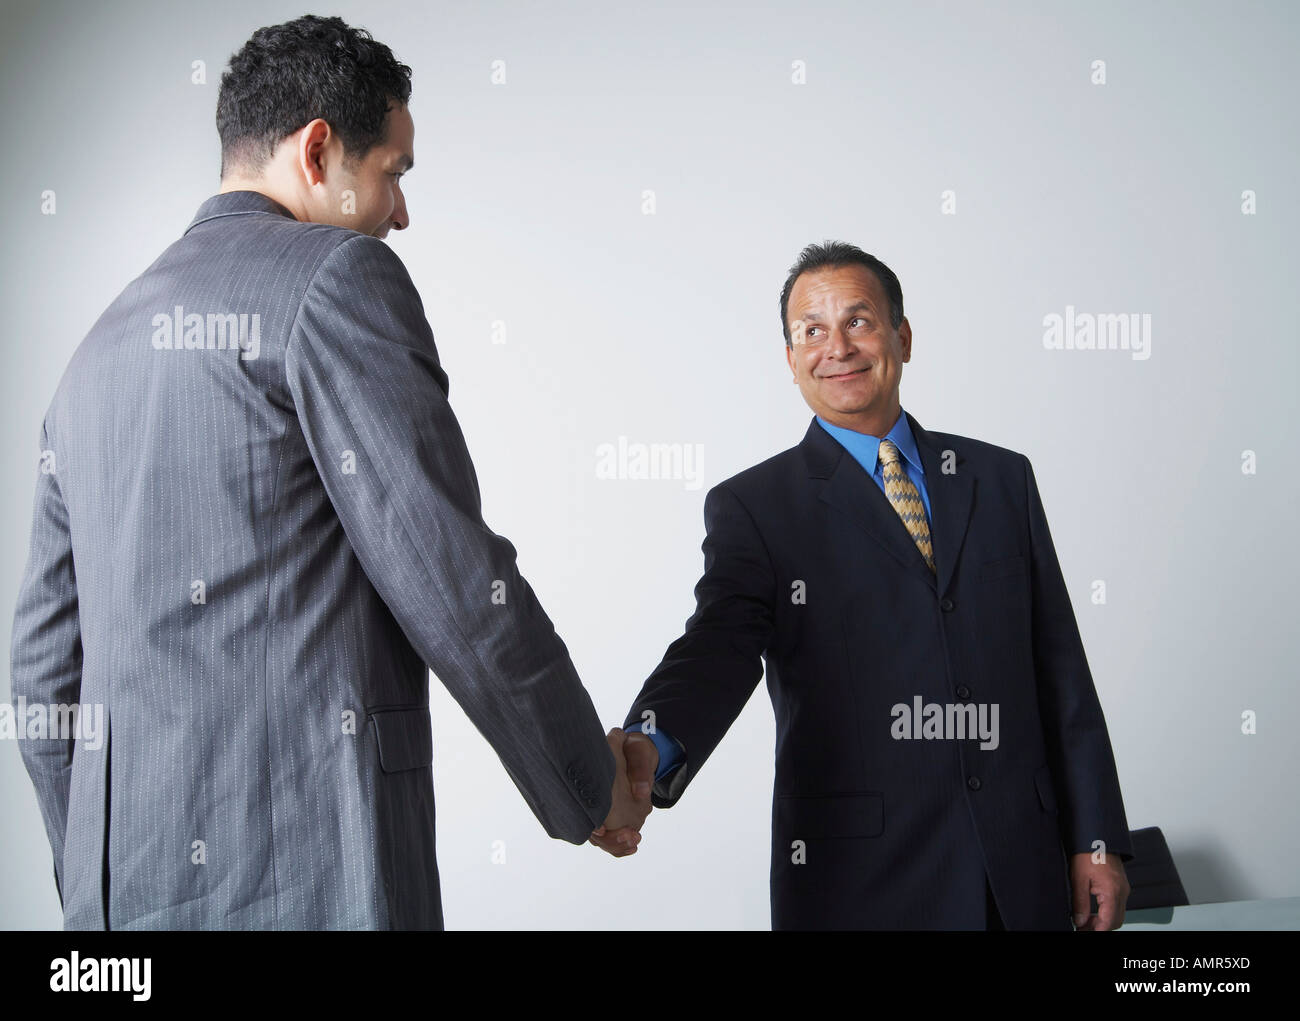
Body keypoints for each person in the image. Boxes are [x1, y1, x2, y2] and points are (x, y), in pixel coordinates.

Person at [10, 14, 646, 931]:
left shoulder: (93, 353)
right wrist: (589, 785)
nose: (400, 212)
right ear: (318, 151)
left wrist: (96, 886)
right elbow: (453, 578)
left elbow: (39, 674)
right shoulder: (336, 276)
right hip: (315, 875)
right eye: (393, 171)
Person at [591, 242, 1133, 930]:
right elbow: (717, 648)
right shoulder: (759, 507)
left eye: (859, 321)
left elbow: (1062, 673)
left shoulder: (1001, 480)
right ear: (790, 361)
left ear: (902, 337)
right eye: (810, 331)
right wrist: (647, 749)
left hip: (1021, 868)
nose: (837, 346)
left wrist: (1095, 836)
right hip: (860, 884)